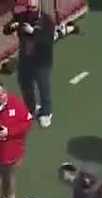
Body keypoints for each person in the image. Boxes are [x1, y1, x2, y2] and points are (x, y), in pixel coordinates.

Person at [4, 0, 60, 128]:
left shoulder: (46, 20)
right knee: (25, 84)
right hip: (26, 59)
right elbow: (6, 30)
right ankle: (32, 107)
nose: (30, 4)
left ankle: (46, 112)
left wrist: (33, 32)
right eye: (28, 5)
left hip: (42, 61)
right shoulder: (21, 17)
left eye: (33, 4)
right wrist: (11, 27)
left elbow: (48, 40)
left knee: (43, 86)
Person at [0, 87, 32, 198]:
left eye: (3, 92)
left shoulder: (14, 102)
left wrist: (9, 132)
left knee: (8, 178)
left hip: (10, 154)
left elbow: (27, 123)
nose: (3, 96)